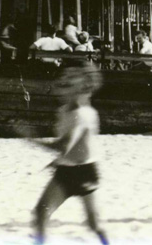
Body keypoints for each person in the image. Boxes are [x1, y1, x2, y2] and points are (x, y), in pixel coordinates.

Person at [32, 62, 108, 245]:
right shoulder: (65, 110)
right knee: (41, 213)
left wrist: (30, 138)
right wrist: (58, 161)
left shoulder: (83, 114)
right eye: (62, 84)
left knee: (93, 224)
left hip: (84, 172)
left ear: (79, 89)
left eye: (67, 85)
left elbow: (62, 146)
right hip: (66, 170)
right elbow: (70, 148)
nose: (61, 89)